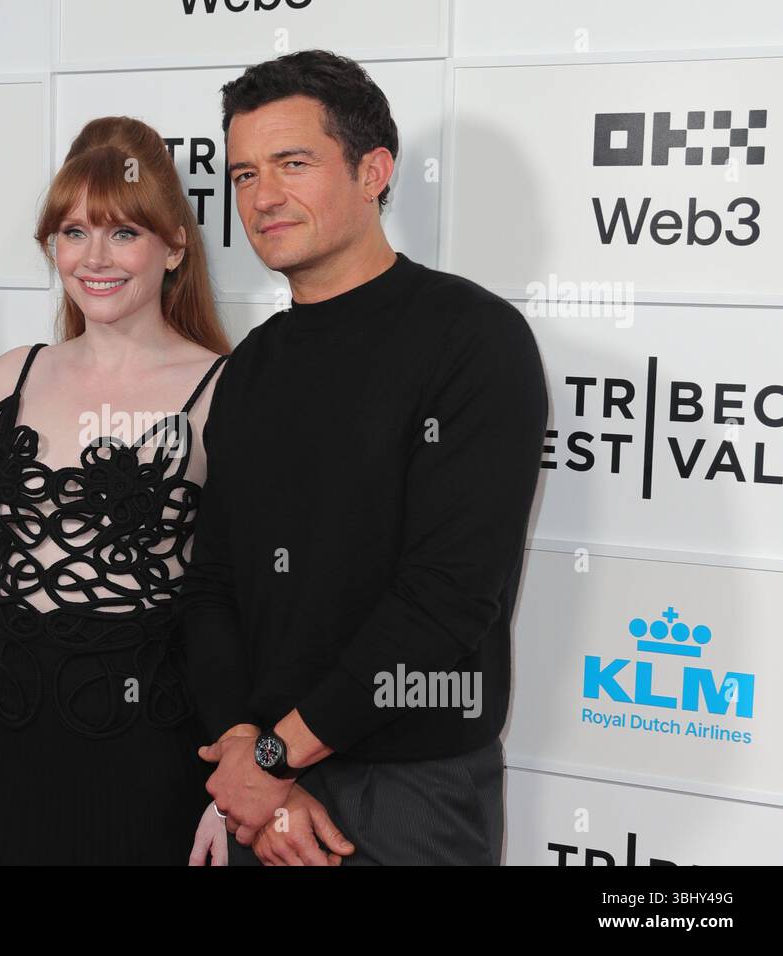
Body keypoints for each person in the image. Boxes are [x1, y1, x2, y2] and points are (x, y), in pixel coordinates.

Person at [182, 50, 548, 865]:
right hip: (264, 796)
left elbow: (448, 597)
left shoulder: (472, 340)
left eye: (293, 164)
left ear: (373, 170)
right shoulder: (252, 365)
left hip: (410, 793)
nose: (262, 197)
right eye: (243, 175)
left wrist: (278, 755)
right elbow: (211, 585)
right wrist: (246, 752)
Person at [0, 117, 231, 865]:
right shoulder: (11, 376)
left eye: (124, 233)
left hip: (150, 752)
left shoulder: (223, 388)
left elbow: (243, 601)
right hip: (10, 734)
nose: (94, 259)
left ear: (174, 246)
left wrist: (233, 790)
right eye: (72, 232)